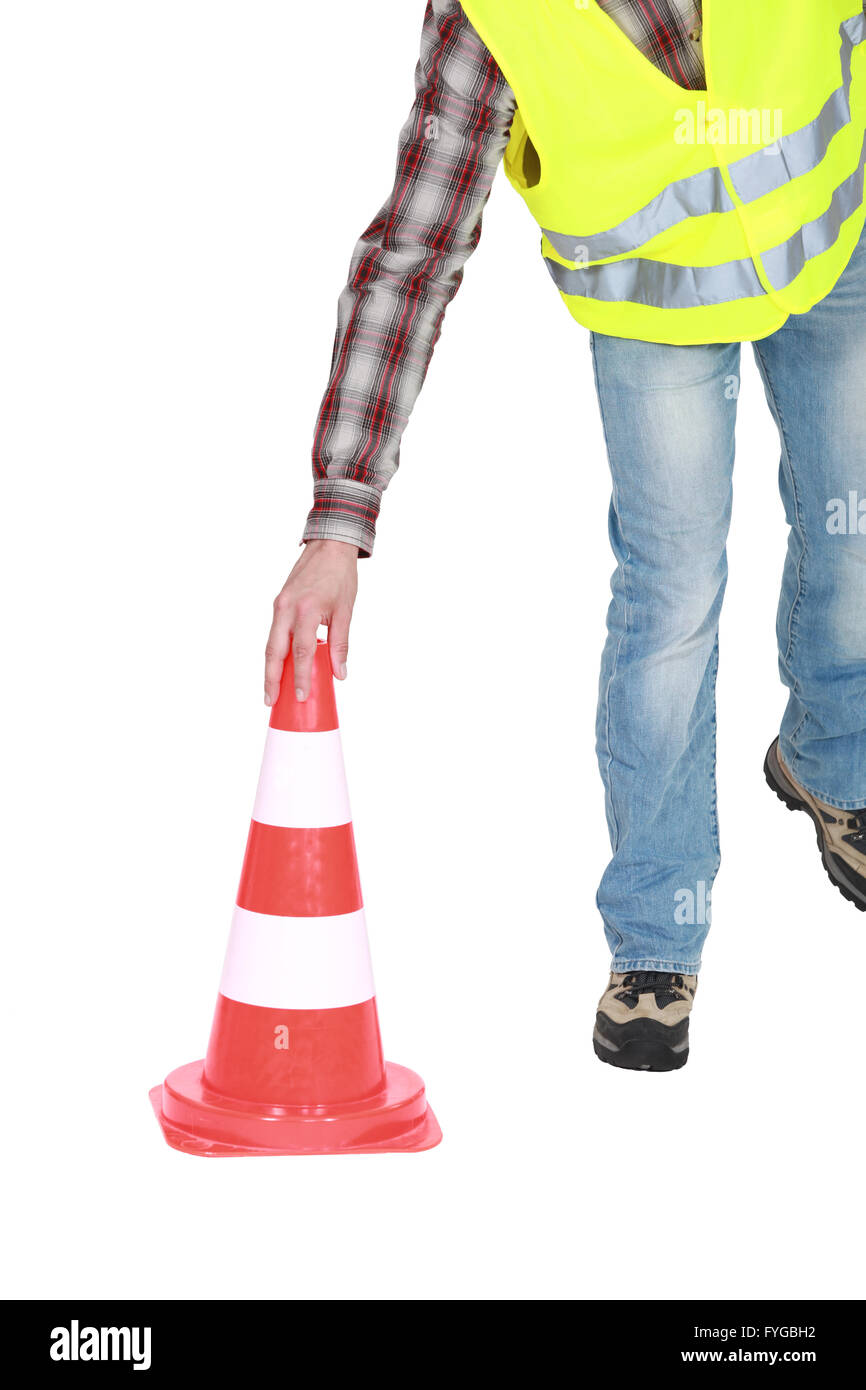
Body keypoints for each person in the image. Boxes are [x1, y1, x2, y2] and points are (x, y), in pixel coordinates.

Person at [263, 1, 866, 1071]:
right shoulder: (487, 13)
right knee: (671, 596)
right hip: (654, 309)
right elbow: (414, 249)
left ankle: (830, 760)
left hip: (832, 242)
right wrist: (338, 519)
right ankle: (654, 928)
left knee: (851, 521)